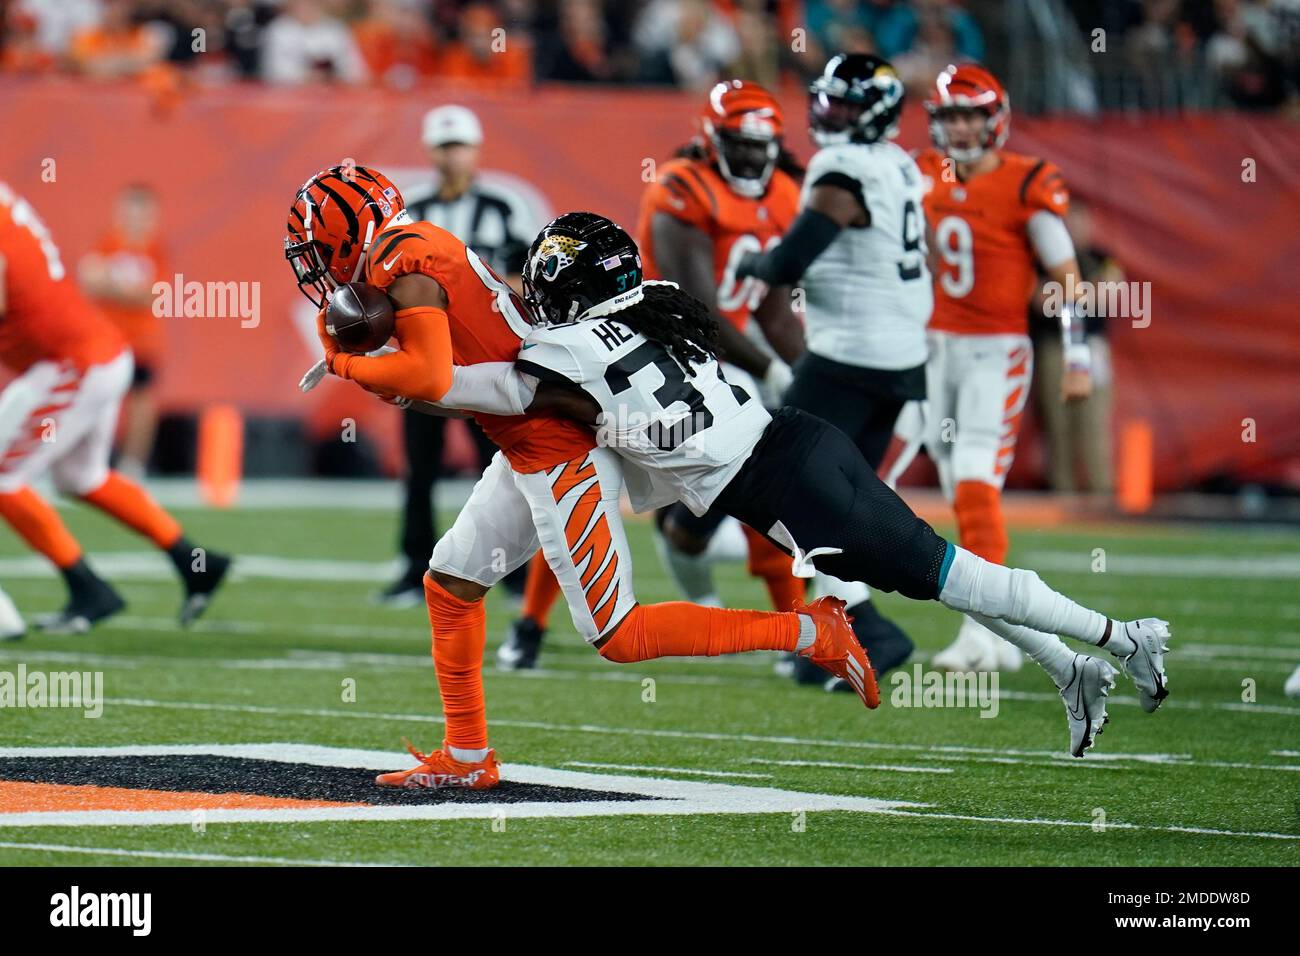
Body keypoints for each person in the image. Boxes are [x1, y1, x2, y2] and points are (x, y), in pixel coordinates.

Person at [419, 211, 1171, 759]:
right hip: (791, 448)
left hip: (784, 483)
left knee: (954, 575)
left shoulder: (571, 352)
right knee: (945, 580)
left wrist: (371, 360)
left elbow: (468, 383)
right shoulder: (658, 299)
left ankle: (1121, 637)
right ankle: (1068, 668)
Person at [287, 167, 873, 791]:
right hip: (523, 434)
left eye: (316, 249)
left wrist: (345, 361)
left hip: (557, 447)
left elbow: (430, 377)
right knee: (451, 581)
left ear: (347, 233)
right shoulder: (406, 248)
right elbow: (453, 391)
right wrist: (377, 374)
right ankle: (465, 755)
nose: (314, 266)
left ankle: (814, 630)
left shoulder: (403, 261)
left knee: (621, 635)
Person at [498, 79, 806, 671]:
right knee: (579, 479)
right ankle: (530, 623)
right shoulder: (681, 187)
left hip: (719, 362)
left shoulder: (788, 192)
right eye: (737, 144)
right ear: (712, 139)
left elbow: (773, 298)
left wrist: (797, 363)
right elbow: (700, 301)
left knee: (759, 495)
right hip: (655, 349)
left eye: (756, 146)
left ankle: (794, 632)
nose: (747, 158)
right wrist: (770, 364)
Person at [738, 53, 931, 687]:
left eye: (845, 105)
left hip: (849, 356)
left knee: (787, 485)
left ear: (872, 112)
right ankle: (841, 640)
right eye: (830, 101)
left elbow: (793, 258)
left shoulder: (840, 169)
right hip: (900, 359)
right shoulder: (900, 164)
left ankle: (868, 628)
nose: (830, 115)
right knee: (838, 503)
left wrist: (757, 265)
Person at [916, 63, 1093, 673]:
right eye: (951, 116)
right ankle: (1003, 634)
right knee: (955, 492)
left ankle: (983, 632)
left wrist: (1077, 355)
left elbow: (1066, 275)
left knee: (973, 481)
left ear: (996, 119)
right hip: (934, 350)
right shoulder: (922, 177)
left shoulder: (1028, 182)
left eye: (971, 115)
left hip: (996, 351)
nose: (961, 128)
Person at [0, 182, 230, 632]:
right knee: (80, 477)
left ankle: (87, 587)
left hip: (70, 361)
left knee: (3, 477)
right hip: (91, 352)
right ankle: (195, 562)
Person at [376, 104, 549, 607]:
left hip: (485, 362)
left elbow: (523, 280)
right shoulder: (415, 215)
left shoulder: (502, 208)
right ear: (432, 152)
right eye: (445, 146)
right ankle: (414, 568)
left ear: (475, 150)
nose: (453, 156)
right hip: (428, 358)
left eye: (460, 146)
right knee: (420, 469)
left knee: (500, 467)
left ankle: (512, 575)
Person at [79, 183, 168, 478]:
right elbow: (88, 279)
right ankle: (89, 459)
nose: (136, 219)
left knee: (141, 403)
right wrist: (129, 290)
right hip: (106, 340)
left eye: (143, 213)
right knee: (95, 400)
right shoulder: (107, 243)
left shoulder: (156, 251)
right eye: (131, 211)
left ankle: (133, 464)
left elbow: (154, 293)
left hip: (142, 342)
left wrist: (114, 287)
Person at [1029, 200, 1116, 494]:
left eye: (1079, 222)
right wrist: (1084, 293)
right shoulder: (1041, 260)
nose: (1074, 229)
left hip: (1091, 348)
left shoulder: (1101, 258)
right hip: (1056, 348)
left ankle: (1101, 492)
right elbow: (1039, 301)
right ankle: (1061, 495)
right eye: (1068, 223)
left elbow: (1113, 294)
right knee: (1058, 424)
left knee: (1094, 424)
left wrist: (1065, 294)